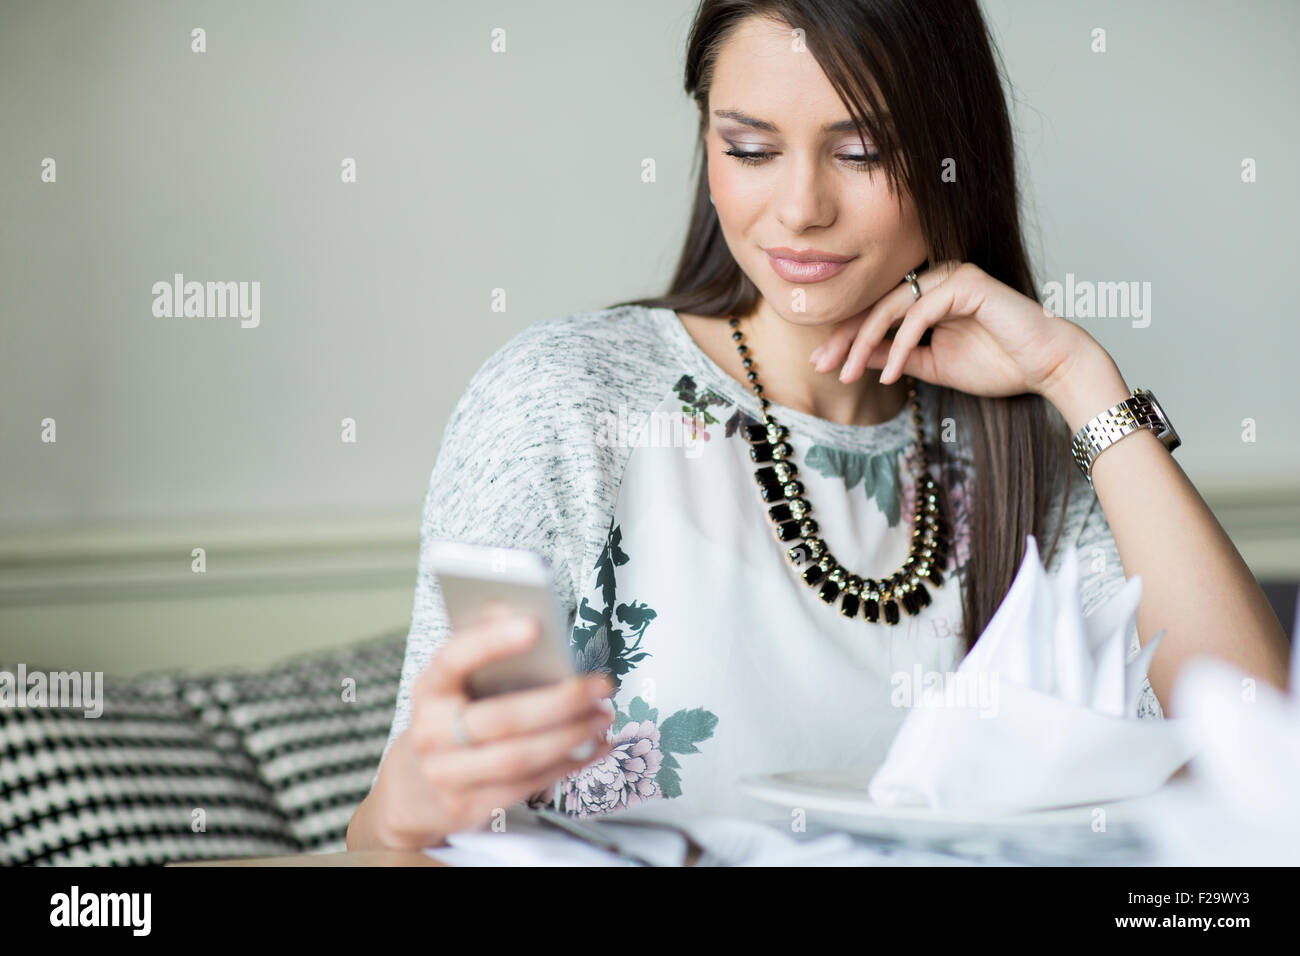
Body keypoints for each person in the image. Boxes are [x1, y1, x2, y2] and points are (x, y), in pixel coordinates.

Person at [347, 0, 1291, 852]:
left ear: (953, 154)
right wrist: (402, 812)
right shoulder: (565, 403)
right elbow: (425, 828)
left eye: (863, 151)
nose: (800, 209)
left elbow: (1254, 749)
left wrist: (1075, 377)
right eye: (750, 149)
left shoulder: (1032, 459)